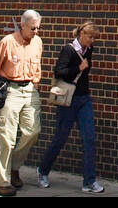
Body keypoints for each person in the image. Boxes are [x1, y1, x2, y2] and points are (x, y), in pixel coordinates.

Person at [0, 10, 44, 196]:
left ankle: (14, 166)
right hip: (11, 90)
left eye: (38, 28)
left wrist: (36, 81)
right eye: (32, 28)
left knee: (33, 131)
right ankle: (3, 181)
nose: (36, 31)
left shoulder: (38, 42)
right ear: (22, 25)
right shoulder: (7, 42)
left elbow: (38, 64)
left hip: (30, 90)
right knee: (6, 137)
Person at [36, 22, 105, 193]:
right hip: (68, 100)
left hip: (84, 99)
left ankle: (89, 181)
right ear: (81, 34)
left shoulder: (89, 50)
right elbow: (59, 72)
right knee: (60, 138)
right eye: (90, 37)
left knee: (89, 139)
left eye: (94, 38)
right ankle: (43, 170)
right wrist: (78, 68)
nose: (92, 41)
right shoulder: (68, 50)